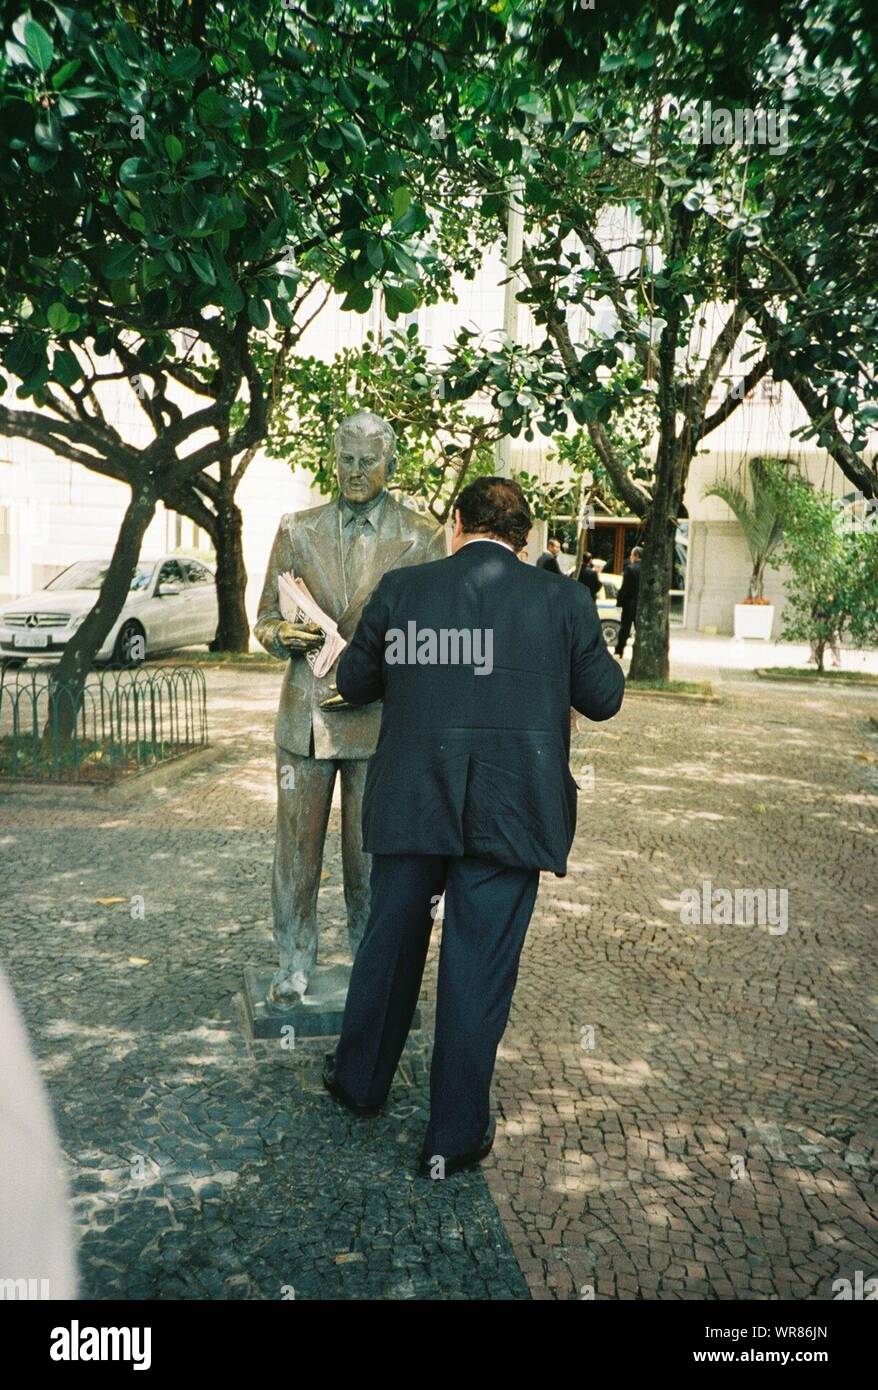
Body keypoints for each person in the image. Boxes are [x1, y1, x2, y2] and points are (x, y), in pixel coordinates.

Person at [323, 476, 624, 1178]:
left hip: (412, 802)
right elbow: (604, 699)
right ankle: (451, 1136)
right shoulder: (563, 600)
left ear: (456, 522)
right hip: (512, 807)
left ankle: (361, 1082)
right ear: (524, 535)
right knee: (477, 968)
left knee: (390, 944)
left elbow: (357, 683)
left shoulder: (402, 589)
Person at [254, 411, 445, 1005]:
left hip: (378, 720)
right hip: (306, 718)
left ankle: (371, 963)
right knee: (296, 850)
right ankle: (294, 959)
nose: (355, 472)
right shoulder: (297, 529)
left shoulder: (423, 537)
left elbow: (432, 637)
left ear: (390, 463)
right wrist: (281, 634)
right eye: (346, 460)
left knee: (371, 858)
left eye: (367, 461)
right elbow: (262, 619)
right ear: (332, 458)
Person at [615, 545, 643, 658]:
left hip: (629, 604)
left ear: (636, 556)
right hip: (641, 604)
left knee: (625, 629)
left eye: (631, 555)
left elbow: (624, 588)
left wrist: (619, 602)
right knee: (640, 629)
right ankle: (640, 653)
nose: (630, 557)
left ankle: (619, 651)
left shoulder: (630, 569)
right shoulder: (647, 569)